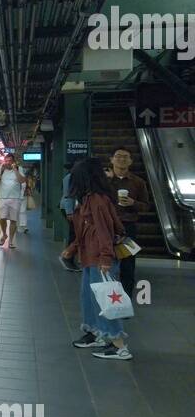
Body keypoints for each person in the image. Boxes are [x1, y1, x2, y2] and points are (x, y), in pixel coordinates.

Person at [62, 158, 132, 360]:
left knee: (105, 301)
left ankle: (120, 347)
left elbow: (104, 232)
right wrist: (73, 248)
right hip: (90, 258)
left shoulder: (97, 201)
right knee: (89, 298)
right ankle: (99, 335)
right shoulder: (90, 198)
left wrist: (106, 259)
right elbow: (86, 230)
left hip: (100, 260)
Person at [107, 146, 149, 298]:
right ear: (111, 160)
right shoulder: (104, 181)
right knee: (106, 263)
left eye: (126, 157)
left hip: (128, 228)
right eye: (118, 156)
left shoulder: (138, 182)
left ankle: (125, 301)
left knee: (128, 264)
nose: (122, 159)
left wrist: (133, 203)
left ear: (130, 161)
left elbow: (145, 206)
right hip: (107, 227)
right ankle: (107, 298)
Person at [0, 153, 25, 248]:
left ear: (13, 162)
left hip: (15, 198)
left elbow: (22, 180)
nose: (7, 163)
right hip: (3, 198)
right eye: (6, 161)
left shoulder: (19, 169)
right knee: (2, 218)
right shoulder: (1, 169)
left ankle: (11, 241)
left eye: (10, 161)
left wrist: (15, 169)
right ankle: (4, 234)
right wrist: (1, 170)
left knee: (13, 220)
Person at [58, 162, 81, 271]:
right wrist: (69, 212)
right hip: (70, 208)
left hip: (72, 208)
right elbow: (68, 195)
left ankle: (70, 257)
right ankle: (68, 257)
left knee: (75, 233)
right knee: (74, 234)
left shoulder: (74, 176)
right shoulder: (70, 177)